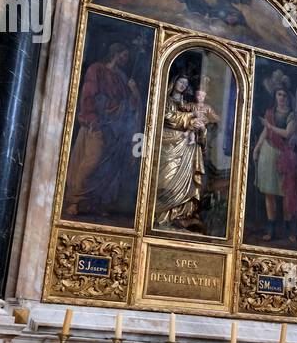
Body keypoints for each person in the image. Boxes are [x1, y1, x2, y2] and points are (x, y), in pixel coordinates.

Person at [64, 40, 142, 221]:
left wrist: (134, 91)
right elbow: (89, 95)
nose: (126, 59)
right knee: (92, 161)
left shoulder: (122, 77)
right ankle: (76, 200)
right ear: (116, 52)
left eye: (128, 57)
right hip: (99, 123)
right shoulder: (96, 69)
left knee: (108, 168)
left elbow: (131, 106)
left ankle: (95, 203)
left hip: (116, 129)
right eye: (124, 55)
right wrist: (92, 117)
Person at [252, 72, 297, 243]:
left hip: (285, 157)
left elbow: (288, 133)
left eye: (283, 95)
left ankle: (289, 228)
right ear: (275, 96)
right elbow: (265, 132)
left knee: (287, 193)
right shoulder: (270, 112)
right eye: (278, 94)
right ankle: (271, 228)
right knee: (269, 194)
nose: (281, 97)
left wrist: (269, 125)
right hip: (268, 153)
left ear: (288, 97)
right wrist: (257, 148)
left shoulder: (292, 115)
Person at [154, 75, 208, 230]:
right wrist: (190, 118)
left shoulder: (188, 104)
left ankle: (181, 216)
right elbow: (168, 117)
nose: (183, 85)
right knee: (167, 179)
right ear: (174, 82)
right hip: (168, 144)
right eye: (181, 82)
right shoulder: (166, 101)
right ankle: (162, 216)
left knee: (188, 184)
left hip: (188, 148)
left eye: (186, 83)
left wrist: (200, 128)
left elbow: (201, 124)